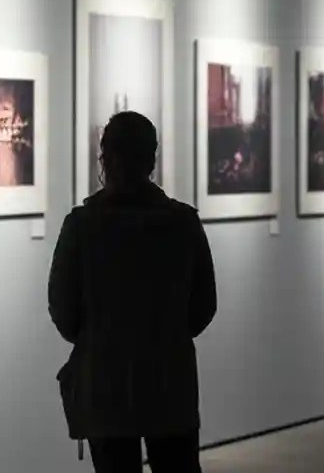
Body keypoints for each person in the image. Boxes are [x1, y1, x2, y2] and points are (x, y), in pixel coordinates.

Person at [48, 111, 217, 473]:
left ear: (105, 158)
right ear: (151, 160)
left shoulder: (81, 227)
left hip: (104, 384)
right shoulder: (183, 223)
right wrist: (165, 335)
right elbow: (203, 307)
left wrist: (98, 338)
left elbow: (63, 313)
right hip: (170, 381)